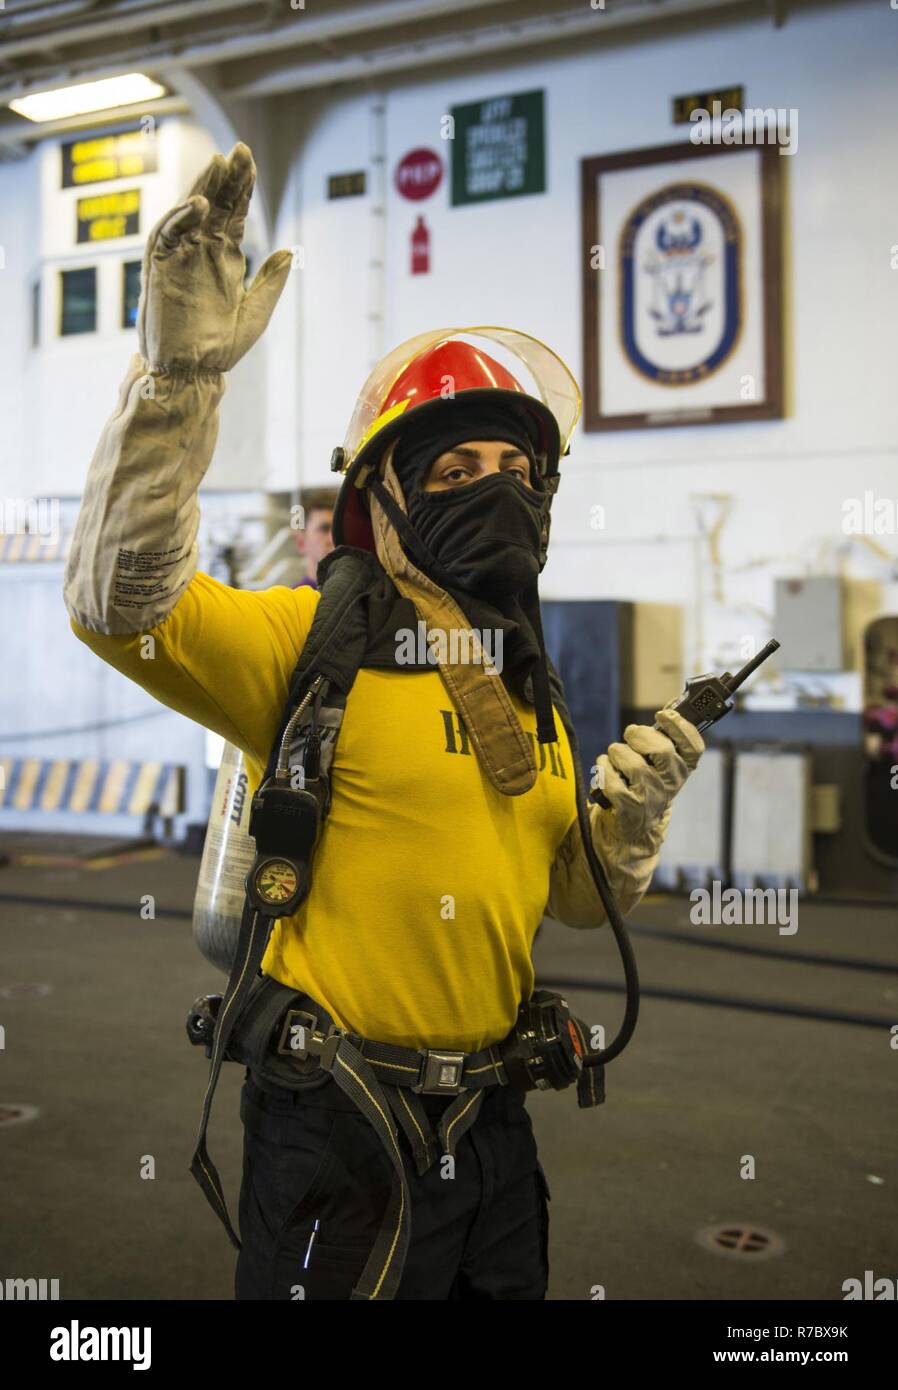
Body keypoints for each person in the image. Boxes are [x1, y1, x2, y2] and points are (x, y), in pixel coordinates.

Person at [63, 143, 704, 1301]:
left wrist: (627, 826)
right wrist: (174, 391)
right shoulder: (306, 644)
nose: (497, 485)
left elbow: (561, 896)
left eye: (520, 466)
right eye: (457, 463)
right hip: (336, 1130)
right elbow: (117, 606)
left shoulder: (528, 689)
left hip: (494, 1127)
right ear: (387, 496)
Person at [291, 488, 336, 589]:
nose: (333, 539)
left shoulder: (366, 597)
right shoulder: (293, 603)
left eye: (339, 529)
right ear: (301, 542)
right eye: (324, 529)